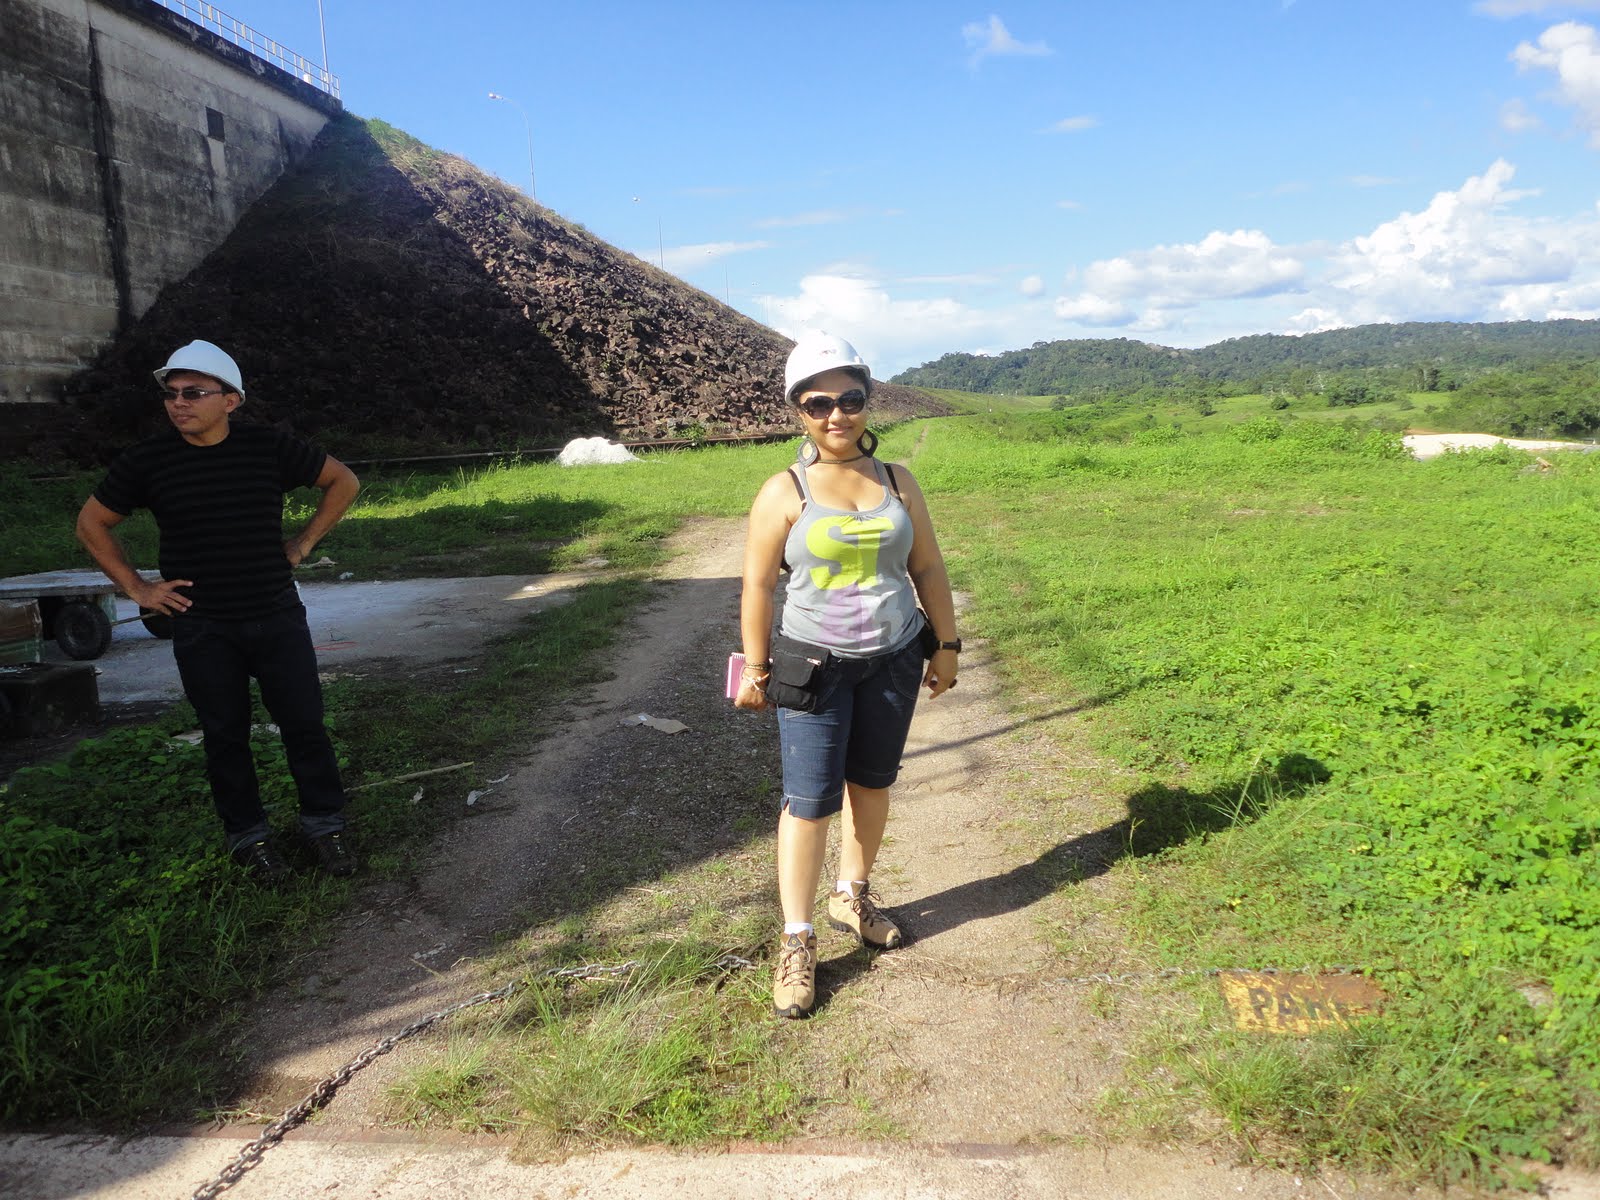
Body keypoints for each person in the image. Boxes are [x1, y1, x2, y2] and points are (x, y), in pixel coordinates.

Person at [75, 340, 362, 883]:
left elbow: (342, 481)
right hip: (203, 624)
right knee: (224, 734)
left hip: (275, 614)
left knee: (304, 725)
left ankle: (326, 827)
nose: (178, 403)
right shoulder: (147, 461)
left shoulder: (267, 447)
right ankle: (249, 839)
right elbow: (92, 524)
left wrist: (301, 545)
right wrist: (137, 587)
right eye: (171, 394)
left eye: (193, 393)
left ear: (231, 400)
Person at [735, 332, 961, 1018]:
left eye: (851, 399)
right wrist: (757, 667)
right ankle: (798, 939)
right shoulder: (785, 490)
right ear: (798, 411)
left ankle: (851, 896)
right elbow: (755, 587)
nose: (837, 415)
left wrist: (945, 643)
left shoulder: (897, 481)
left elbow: (926, 567)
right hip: (816, 667)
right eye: (818, 403)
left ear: (868, 399)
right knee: (809, 802)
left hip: (893, 658)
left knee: (872, 785)